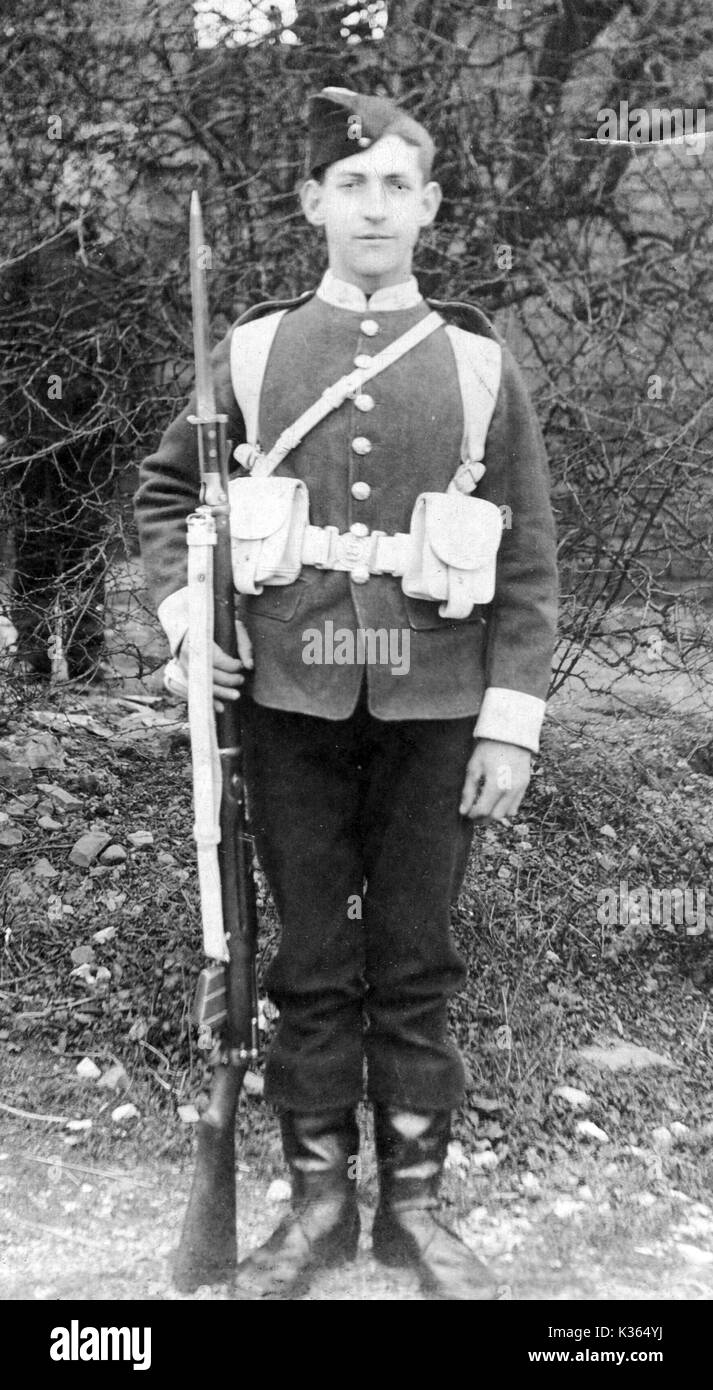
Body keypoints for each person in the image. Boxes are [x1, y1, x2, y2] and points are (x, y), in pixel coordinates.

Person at [135, 87, 558, 1300]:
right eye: (349, 184)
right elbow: (169, 503)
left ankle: (414, 1214)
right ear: (314, 202)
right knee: (309, 957)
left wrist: (510, 722)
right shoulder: (260, 352)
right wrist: (185, 627)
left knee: (415, 956)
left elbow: (525, 552)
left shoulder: (478, 365)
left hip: (436, 706)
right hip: (286, 705)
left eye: (394, 186)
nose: (371, 206)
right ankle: (318, 1204)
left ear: (427, 209)